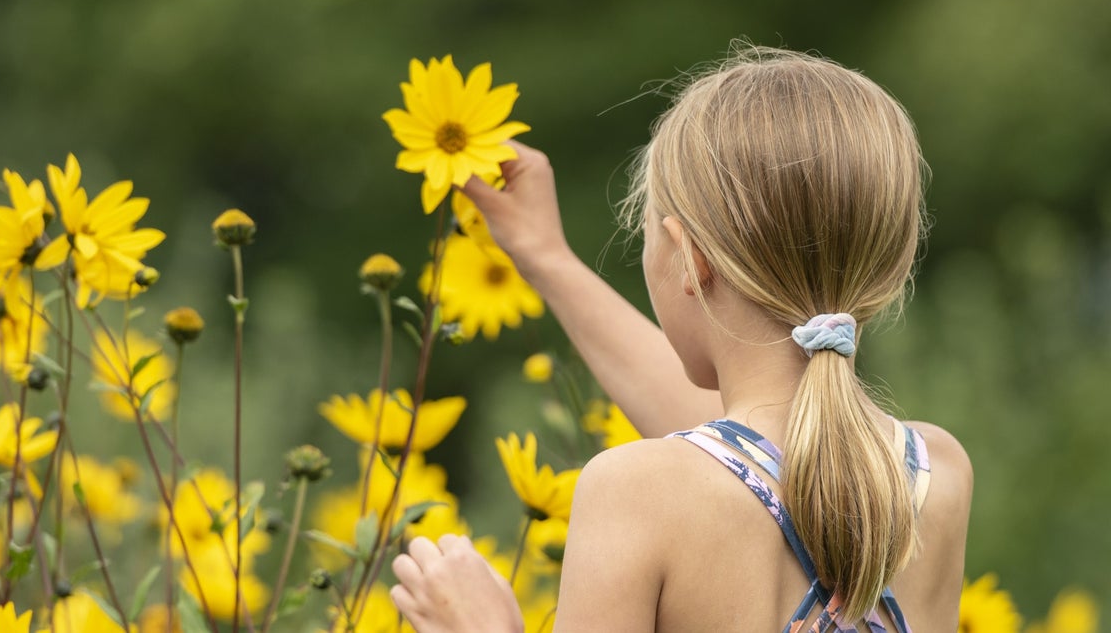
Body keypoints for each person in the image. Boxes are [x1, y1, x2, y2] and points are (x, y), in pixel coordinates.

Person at [389, 45, 972, 631]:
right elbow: (753, 453)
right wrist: (545, 257)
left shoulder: (636, 494)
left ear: (689, 258)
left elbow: (733, 460)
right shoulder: (936, 474)